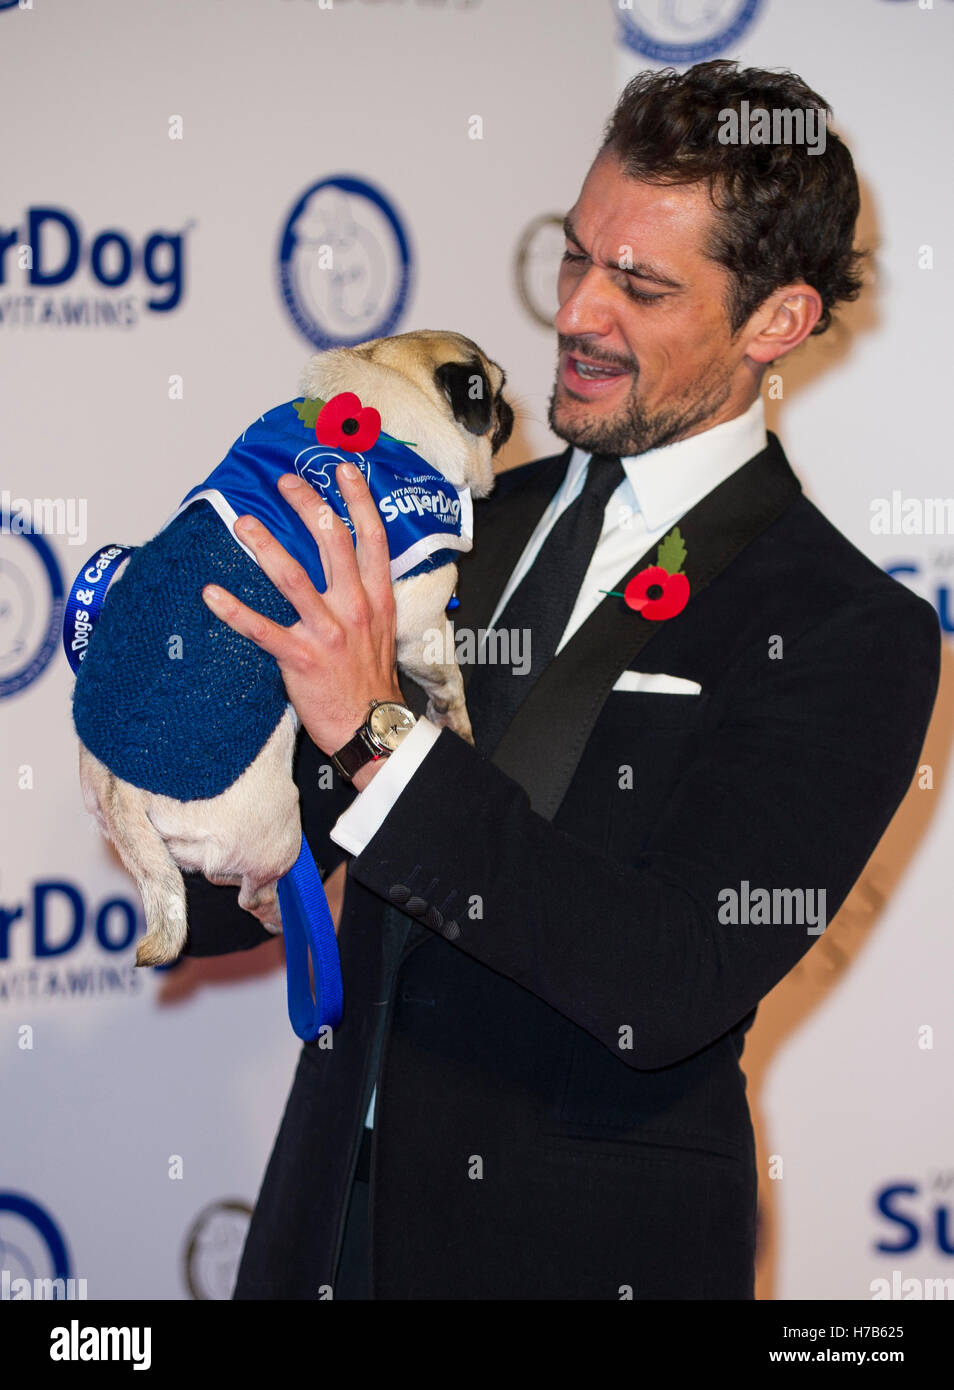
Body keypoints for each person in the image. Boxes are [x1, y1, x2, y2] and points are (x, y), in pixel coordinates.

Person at [184, 62, 940, 1300]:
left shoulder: (852, 631)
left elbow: (664, 977)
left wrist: (376, 738)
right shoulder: (457, 520)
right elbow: (296, 847)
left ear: (777, 323)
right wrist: (201, 815)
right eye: (576, 257)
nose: (580, 314)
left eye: (640, 285)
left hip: (577, 1259)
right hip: (321, 1233)